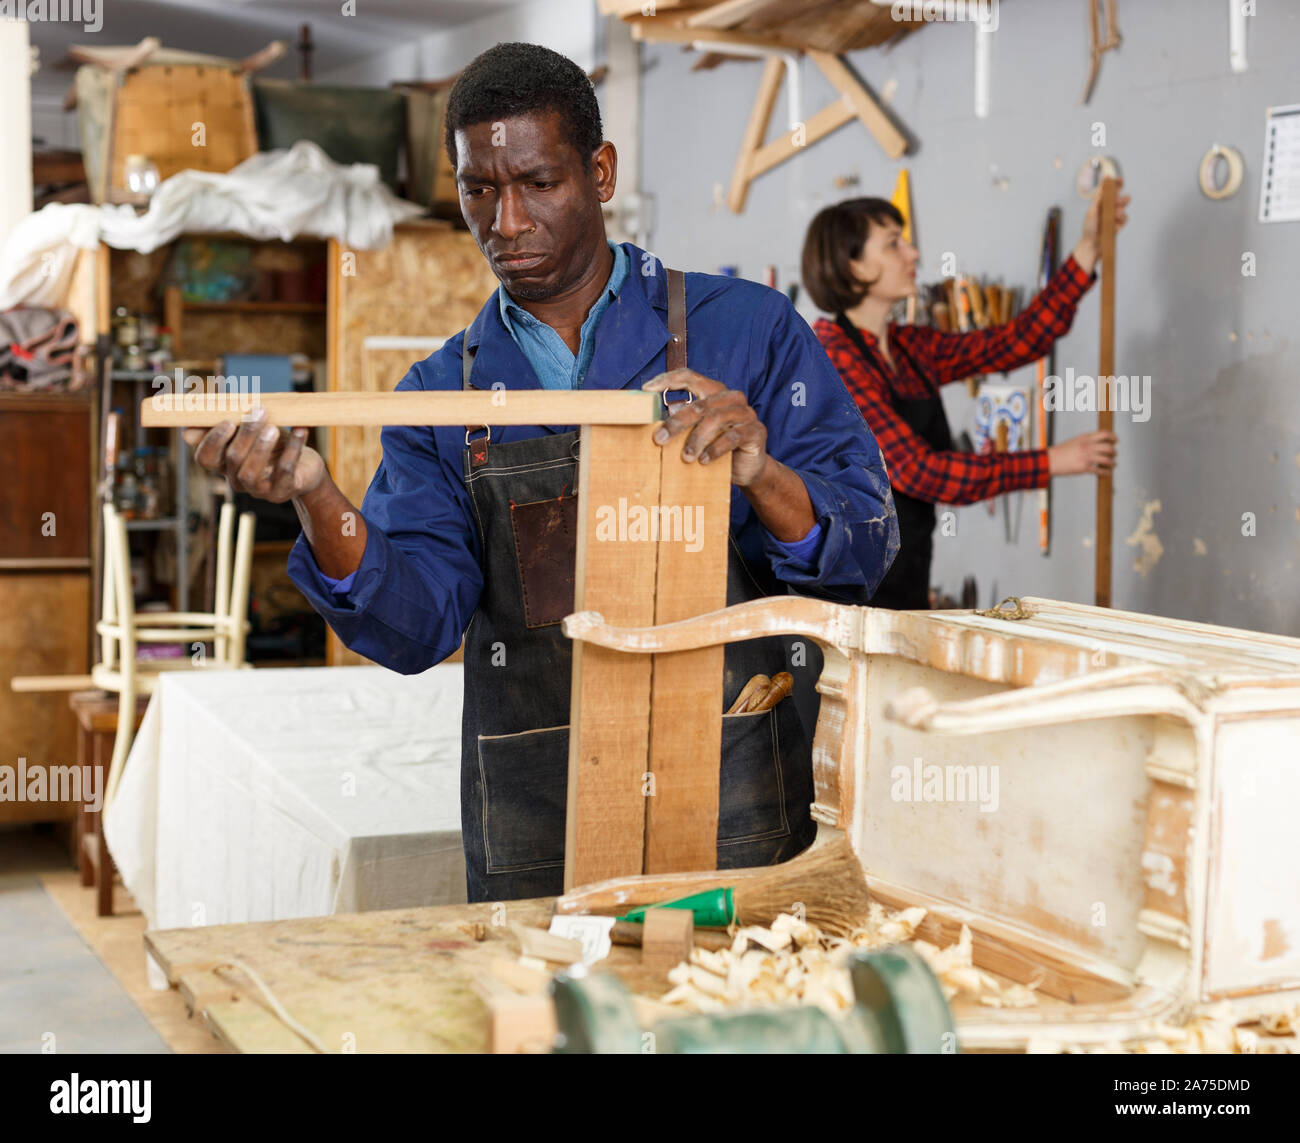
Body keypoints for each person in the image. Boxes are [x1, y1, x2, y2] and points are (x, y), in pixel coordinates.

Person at [184, 42, 898, 903]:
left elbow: (862, 553)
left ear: (600, 171)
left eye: (538, 184)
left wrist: (760, 471)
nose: (506, 222)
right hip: (535, 820)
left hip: (734, 798)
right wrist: (313, 493)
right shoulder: (442, 396)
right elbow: (415, 627)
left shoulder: (748, 331)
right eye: (477, 190)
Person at [802, 189, 1128, 609]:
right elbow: (920, 472)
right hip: (849, 588)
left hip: (908, 568)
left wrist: (1087, 249)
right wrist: (1050, 461)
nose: (913, 253)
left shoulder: (908, 348)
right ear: (853, 266)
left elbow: (1017, 341)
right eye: (893, 243)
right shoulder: (835, 356)